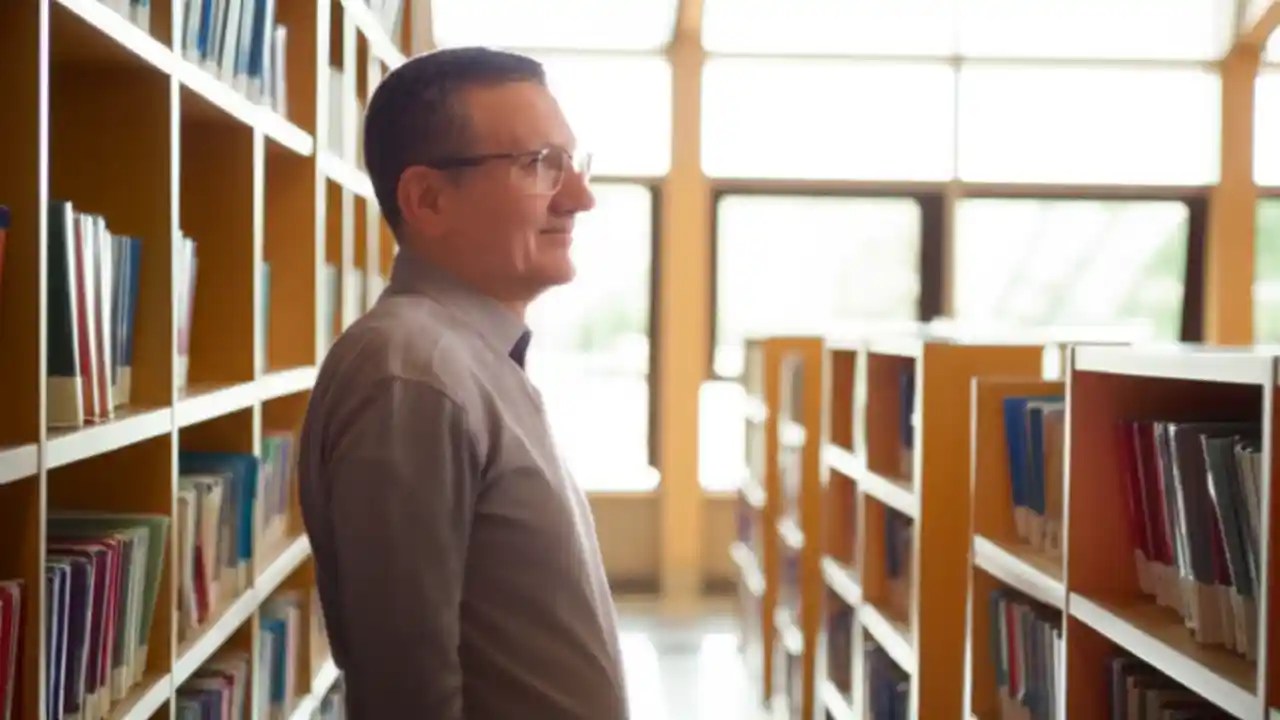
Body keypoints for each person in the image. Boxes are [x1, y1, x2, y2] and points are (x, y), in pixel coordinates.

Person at [297, 46, 627, 719]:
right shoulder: (412, 373)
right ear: (427, 199)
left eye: (572, 163)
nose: (579, 197)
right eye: (539, 165)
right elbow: (406, 694)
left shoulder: (468, 358)